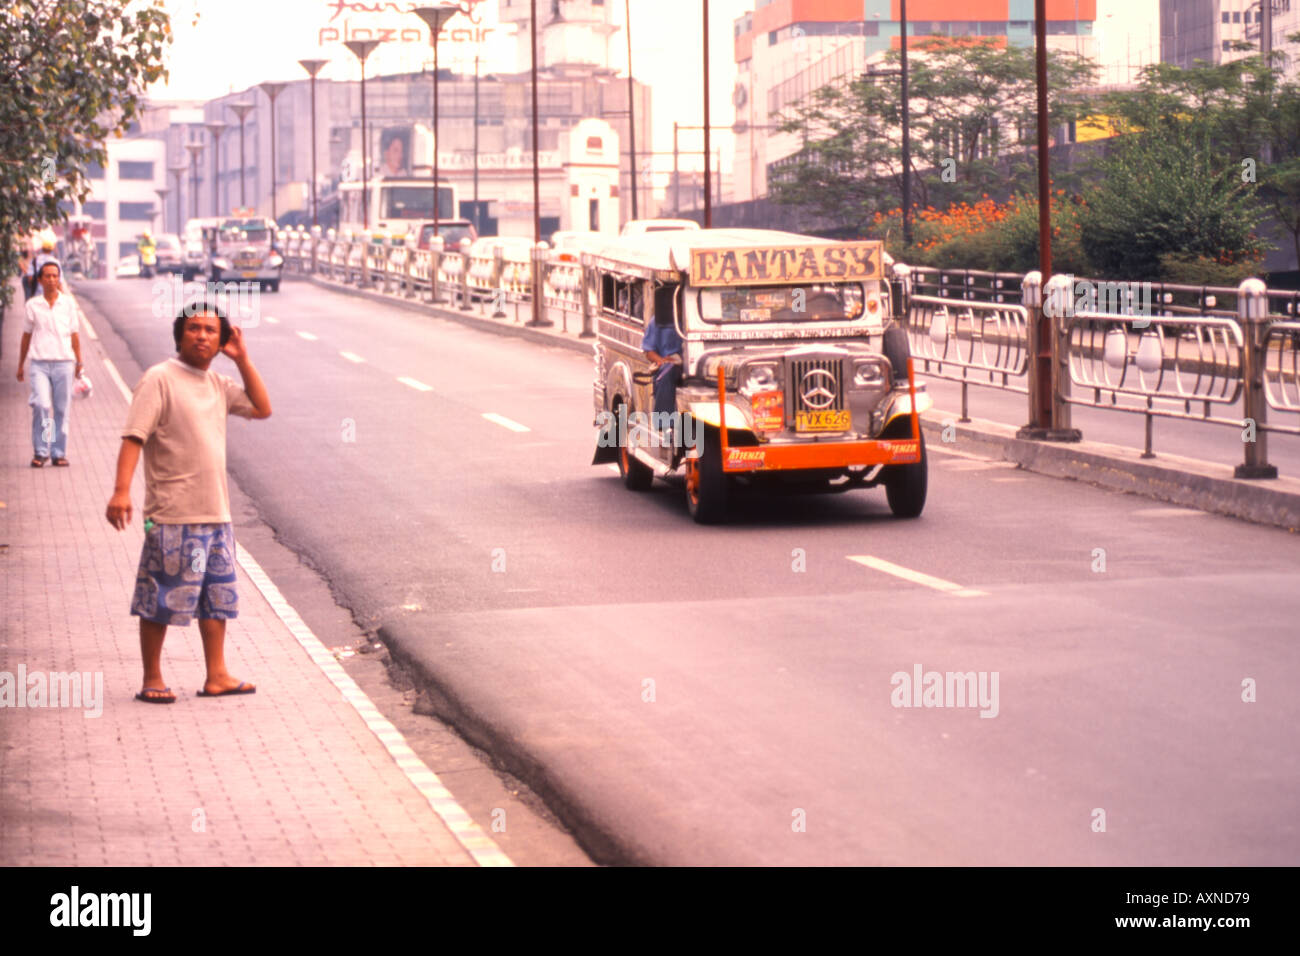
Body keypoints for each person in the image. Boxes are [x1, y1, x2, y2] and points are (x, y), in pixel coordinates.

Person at [105, 301, 272, 703]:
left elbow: (263, 409)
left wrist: (243, 359)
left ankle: (217, 675)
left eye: (211, 331)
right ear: (180, 334)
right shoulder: (159, 378)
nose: (202, 336)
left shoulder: (217, 384)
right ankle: (152, 677)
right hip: (173, 514)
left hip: (216, 514)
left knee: (216, 599)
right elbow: (134, 436)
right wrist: (121, 491)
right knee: (161, 598)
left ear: (222, 340)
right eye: (194, 328)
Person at [16, 260, 82, 467]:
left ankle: (58, 452)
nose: (52, 279)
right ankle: (41, 450)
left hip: (64, 363)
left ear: (59, 278)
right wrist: (20, 365)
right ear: (40, 280)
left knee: (61, 409)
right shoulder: (33, 305)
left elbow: (75, 336)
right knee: (42, 405)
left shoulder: (68, 305)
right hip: (39, 364)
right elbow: (26, 337)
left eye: (55, 276)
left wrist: (80, 362)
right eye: (47, 276)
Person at [641, 287, 683, 426]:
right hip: (672, 364)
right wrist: (662, 360)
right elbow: (649, 351)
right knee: (667, 373)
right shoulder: (658, 321)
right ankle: (665, 423)